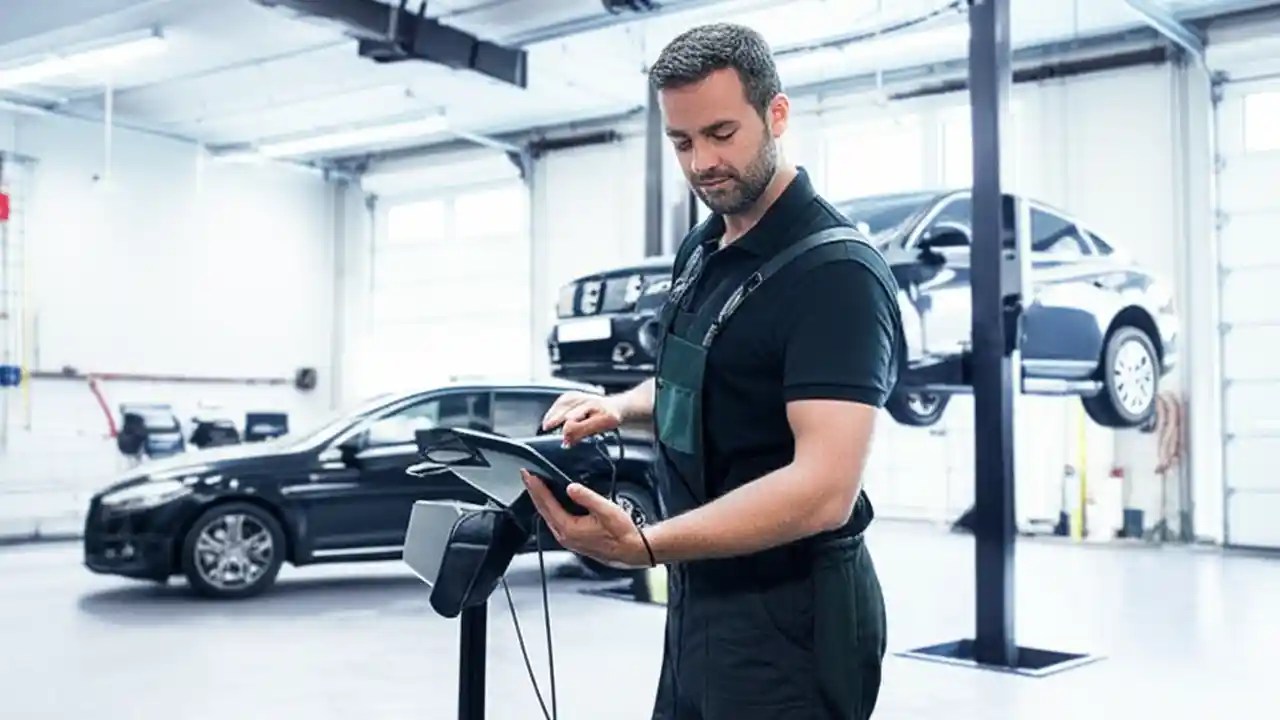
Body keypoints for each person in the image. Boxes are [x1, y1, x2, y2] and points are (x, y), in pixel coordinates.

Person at [521, 22, 904, 720]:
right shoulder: (703, 248)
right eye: (683, 142)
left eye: (722, 134)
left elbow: (824, 490)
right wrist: (619, 405)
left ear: (776, 114)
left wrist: (647, 545)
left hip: (795, 616)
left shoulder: (837, 275)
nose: (702, 163)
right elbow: (700, 378)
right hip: (700, 597)